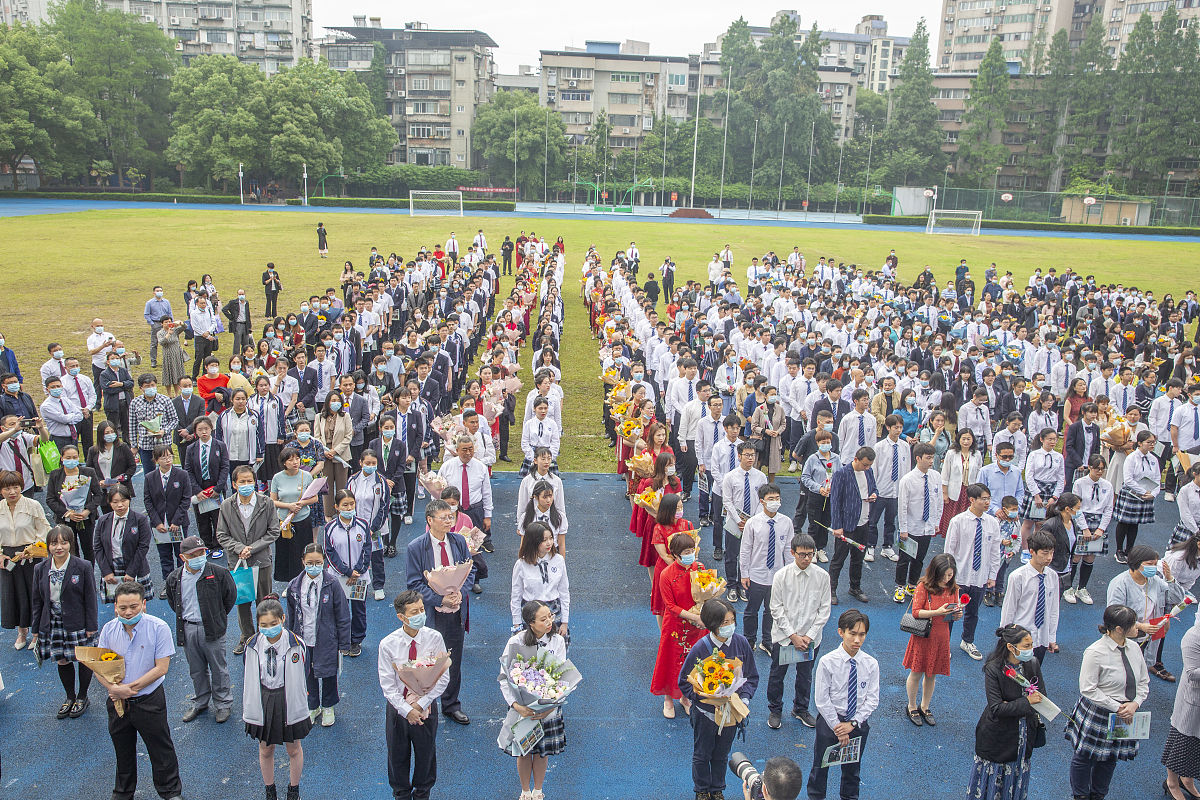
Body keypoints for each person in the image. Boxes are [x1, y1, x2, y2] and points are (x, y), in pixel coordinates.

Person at [93, 581, 183, 800]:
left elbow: (161, 668)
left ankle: (171, 792)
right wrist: (114, 689)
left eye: (133, 606)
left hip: (148, 700)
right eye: (122, 608)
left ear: (143, 604)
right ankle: (123, 793)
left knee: (161, 749)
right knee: (122, 751)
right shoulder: (108, 629)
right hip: (117, 701)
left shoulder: (158, 627)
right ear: (115, 607)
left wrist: (128, 690)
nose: (128, 612)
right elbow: (98, 668)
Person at [1063, 604, 1149, 800]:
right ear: (1119, 629)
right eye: (1133, 624)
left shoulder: (1134, 647)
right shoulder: (1095, 652)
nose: (1138, 627)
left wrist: (1135, 703)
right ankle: (1080, 796)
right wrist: (1118, 707)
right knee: (1084, 756)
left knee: (1110, 757)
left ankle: (1098, 795)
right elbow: (1087, 688)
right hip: (1101, 710)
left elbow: (1143, 680)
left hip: (1126, 711)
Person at [678, 598, 760, 800]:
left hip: (731, 713)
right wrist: (702, 697)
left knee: (722, 753)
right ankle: (702, 790)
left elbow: (751, 677)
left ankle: (717, 789)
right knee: (702, 753)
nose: (729, 626)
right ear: (712, 624)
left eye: (731, 621)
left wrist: (744, 700)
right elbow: (685, 682)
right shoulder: (700, 648)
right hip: (705, 713)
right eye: (724, 623)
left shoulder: (741, 643)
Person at [405, 498, 474, 725]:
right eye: (443, 517)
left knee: (453, 659)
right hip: (430, 613)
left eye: (450, 516)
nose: (449, 521)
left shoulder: (458, 542)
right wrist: (439, 598)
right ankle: (425, 704)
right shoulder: (416, 547)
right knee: (428, 660)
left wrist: (459, 594)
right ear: (429, 520)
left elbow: (469, 572)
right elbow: (414, 583)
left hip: (455, 610)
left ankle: (451, 704)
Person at [498, 600, 571, 800]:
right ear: (531, 623)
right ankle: (525, 791)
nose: (549, 621)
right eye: (543, 619)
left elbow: (562, 673)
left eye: (550, 616)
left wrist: (551, 705)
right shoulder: (516, 642)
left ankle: (538, 791)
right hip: (522, 707)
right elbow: (505, 677)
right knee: (524, 751)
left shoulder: (557, 640)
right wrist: (516, 706)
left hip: (547, 707)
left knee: (541, 752)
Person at [379, 590, 449, 800]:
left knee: (426, 754)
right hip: (398, 709)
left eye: (421, 609)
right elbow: (388, 685)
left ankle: (422, 793)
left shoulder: (434, 638)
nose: (420, 614)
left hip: (426, 707)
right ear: (401, 617)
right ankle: (401, 794)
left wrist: (422, 704)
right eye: (414, 612)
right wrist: (407, 710)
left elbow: (443, 677)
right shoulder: (387, 644)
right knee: (397, 755)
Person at [242, 597, 312, 800]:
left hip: (288, 697)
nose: (269, 628)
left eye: (273, 624)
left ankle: (293, 790)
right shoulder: (252, 645)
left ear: (282, 619)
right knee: (265, 749)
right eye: (263, 625)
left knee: (293, 748)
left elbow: (303, 671)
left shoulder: (296, 644)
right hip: (264, 698)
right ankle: (270, 790)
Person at [967, 624, 1046, 800]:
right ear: (1011, 647)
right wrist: (1026, 701)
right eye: (1026, 646)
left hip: (1023, 736)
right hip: (999, 738)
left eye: (1031, 645)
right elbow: (997, 708)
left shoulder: (1032, 664)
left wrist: (1012, 704)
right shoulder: (993, 668)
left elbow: (1041, 696)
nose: (1030, 650)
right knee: (994, 781)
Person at [807, 609, 878, 800]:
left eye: (861, 634)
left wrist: (852, 724)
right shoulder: (828, 662)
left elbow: (872, 699)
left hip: (857, 724)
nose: (857, 640)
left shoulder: (871, 664)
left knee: (852, 770)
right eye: (852, 633)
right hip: (831, 723)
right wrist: (839, 728)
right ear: (841, 632)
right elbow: (822, 699)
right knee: (820, 767)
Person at [165, 535, 236, 724]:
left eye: (202, 552)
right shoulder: (175, 578)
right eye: (193, 554)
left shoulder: (219, 573)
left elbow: (229, 597)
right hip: (189, 628)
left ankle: (223, 704)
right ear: (183, 558)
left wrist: (217, 617)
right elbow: (174, 602)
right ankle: (201, 701)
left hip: (212, 628)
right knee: (196, 669)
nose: (199, 557)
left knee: (219, 669)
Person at [31, 525, 98, 719]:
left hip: (78, 621)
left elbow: (90, 598)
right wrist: (36, 628)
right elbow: (37, 600)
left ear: (70, 544)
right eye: (54, 543)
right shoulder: (40, 568)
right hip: (53, 622)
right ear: (48, 546)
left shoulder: (83, 566)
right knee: (62, 658)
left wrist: (91, 626)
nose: (59, 547)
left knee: (83, 658)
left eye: (64, 542)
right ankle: (70, 697)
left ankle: (83, 696)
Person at [766, 532, 830, 731]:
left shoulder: (822, 577)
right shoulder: (781, 576)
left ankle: (801, 709)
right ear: (792, 553)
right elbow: (775, 608)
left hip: (810, 639)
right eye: (802, 554)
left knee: (805, 675)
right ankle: (775, 710)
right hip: (785, 638)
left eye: (810, 554)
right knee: (777, 675)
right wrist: (793, 636)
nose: (807, 559)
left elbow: (824, 609)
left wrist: (808, 636)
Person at [217, 465, 281, 654]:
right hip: (237, 562)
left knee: (264, 601)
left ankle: (266, 635)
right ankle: (247, 636)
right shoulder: (227, 505)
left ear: (255, 482)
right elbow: (221, 534)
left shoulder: (266, 503)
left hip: (261, 561)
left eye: (250, 481)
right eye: (242, 482)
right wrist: (239, 549)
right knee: (242, 602)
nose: (246, 485)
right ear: (235, 484)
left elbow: (273, 532)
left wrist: (251, 549)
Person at [287, 543, 350, 727]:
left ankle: (328, 705)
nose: (314, 566)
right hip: (303, 637)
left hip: (327, 638)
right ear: (303, 562)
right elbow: (290, 615)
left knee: (329, 672)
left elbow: (343, 614)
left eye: (318, 562)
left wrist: (344, 643)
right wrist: (290, 639)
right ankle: (312, 705)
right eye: (310, 562)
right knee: (308, 673)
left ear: (323, 562)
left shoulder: (332, 583)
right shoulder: (294, 586)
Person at [1106, 544, 1186, 682]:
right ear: (1136, 563)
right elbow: (1114, 614)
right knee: (1122, 670)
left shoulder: (1154, 580)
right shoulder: (1120, 583)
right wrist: (1140, 626)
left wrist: (1170, 579)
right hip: (1128, 635)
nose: (1153, 568)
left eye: (1156, 564)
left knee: (1140, 667)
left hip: (1149, 634)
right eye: (1149, 564)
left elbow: (1177, 598)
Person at [901, 552, 962, 727]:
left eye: (950, 575)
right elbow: (916, 612)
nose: (947, 579)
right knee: (916, 672)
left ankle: (925, 706)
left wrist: (955, 615)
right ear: (935, 573)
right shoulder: (923, 587)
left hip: (942, 636)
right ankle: (912, 705)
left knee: (932, 674)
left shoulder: (954, 588)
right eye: (944, 575)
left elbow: (951, 612)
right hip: (924, 636)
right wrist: (938, 612)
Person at [944, 483, 1002, 661]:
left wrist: (993, 575)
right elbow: (949, 550)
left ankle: (967, 641)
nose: (987, 502)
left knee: (973, 612)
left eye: (988, 499)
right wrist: (948, 576)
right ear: (972, 500)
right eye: (983, 499)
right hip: (960, 576)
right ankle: (944, 644)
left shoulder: (992, 523)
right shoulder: (958, 521)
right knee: (951, 612)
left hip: (980, 576)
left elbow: (994, 551)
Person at [651, 533, 706, 719]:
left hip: (697, 625)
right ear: (675, 555)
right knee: (671, 661)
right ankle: (668, 698)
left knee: (694, 661)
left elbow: (706, 592)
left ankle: (685, 696)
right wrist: (693, 616)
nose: (690, 555)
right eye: (686, 552)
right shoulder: (666, 574)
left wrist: (701, 613)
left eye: (692, 551)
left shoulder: (699, 568)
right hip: (675, 625)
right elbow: (670, 606)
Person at [740, 483, 793, 653]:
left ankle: (767, 640)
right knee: (751, 611)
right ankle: (749, 640)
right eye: (771, 499)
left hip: (777, 576)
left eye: (777, 498)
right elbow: (745, 549)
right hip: (756, 575)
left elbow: (788, 550)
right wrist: (744, 573)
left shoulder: (786, 522)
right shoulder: (753, 523)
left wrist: (790, 573)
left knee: (772, 611)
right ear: (762, 501)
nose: (775, 502)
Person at [324, 489, 373, 657]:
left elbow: (367, 549)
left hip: (360, 577)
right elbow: (330, 554)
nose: (349, 507)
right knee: (339, 610)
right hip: (338, 577)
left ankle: (356, 640)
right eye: (345, 505)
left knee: (359, 610)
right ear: (337, 507)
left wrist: (357, 571)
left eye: (352, 504)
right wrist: (346, 572)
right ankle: (342, 640)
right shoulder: (329, 528)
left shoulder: (363, 524)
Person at [1001, 530, 1060, 664]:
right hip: (1020, 639)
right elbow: (1009, 609)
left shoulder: (1052, 576)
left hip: (1041, 638)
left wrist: (1051, 636)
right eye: (1045, 553)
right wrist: (1006, 637)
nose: (1049, 557)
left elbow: (1053, 610)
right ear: (1032, 551)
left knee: (1034, 676)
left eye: (1051, 552)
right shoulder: (1018, 577)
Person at [894, 443, 943, 602]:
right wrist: (903, 529)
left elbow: (939, 501)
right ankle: (899, 587)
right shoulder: (907, 480)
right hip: (911, 527)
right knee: (904, 559)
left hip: (926, 527)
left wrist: (936, 522)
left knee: (919, 559)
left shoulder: (935, 476)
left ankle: (911, 584)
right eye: (928, 458)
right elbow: (902, 506)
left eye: (932, 457)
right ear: (918, 458)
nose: (931, 461)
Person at [828, 446, 878, 605]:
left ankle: (855, 587)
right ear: (856, 459)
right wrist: (837, 525)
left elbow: (873, 487)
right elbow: (834, 501)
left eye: (869, 465)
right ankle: (831, 589)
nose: (867, 468)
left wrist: (874, 494)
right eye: (865, 464)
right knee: (839, 559)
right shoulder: (841, 474)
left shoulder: (868, 472)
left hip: (863, 521)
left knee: (858, 558)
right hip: (847, 524)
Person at [143, 444, 192, 599]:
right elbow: (148, 501)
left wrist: (176, 521)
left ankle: (182, 582)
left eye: (170, 456)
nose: (168, 460)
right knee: (164, 555)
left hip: (178, 524)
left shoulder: (182, 475)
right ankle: (168, 583)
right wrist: (157, 522)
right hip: (159, 526)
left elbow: (185, 500)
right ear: (156, 460)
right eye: (164, 457)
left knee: (181, 554)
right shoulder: (150, 478)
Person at [1162, 607, 1200, 800]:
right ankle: (1171, 782)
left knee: (1197, 745)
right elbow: (1193, 673)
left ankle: (1188, 780)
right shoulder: (1192, 637)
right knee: (1182, 742)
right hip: (1192, 702)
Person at [510, 521, 569, 642]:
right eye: (544, 540)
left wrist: (565, 621)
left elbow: (564, 591)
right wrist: (517, 624)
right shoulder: (521, 564)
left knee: (555, 654)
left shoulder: (558, 560)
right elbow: (516, 596)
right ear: (533, 542)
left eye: (551, 538)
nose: (549, 543)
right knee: (530, 654)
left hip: (553, 611)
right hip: (531, 612)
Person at [1066, 456, 1114, 605]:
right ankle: (1069, 587)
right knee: (1076, 556)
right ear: (1090, 467)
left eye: (1102, 468)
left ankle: (1082, 588)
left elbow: (1108, 509)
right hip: (1083, 520)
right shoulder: (1080, 483)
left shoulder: (1108, 485)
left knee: (1090, 556)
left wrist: (1101, 528)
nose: (1100, 471)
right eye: (1096, 468)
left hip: (1098, 522)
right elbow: (1076, 507)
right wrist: (1085, 528)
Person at [94, 485, 153, 600]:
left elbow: (143, 547)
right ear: (109, 502)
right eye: (115, 502)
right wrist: (106, 571)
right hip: (112, 569)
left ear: (129, 499)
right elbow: (97, 547)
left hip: (135, 568)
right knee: (118, 605)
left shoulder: (140, 520)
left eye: (123, 501)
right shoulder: (103, 521)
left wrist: (131, 572)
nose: (120, 505)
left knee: (138, 604)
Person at [45, 442, 102, 562]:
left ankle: (88, 575)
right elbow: (50, 499)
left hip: (85, 519)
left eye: (75, 457)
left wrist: (87, 511)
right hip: (65, 520)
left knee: (89, 549)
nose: (72, 460)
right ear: (62, 458)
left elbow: (98, 495)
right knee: (71, 549)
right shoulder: (55, 475)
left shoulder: (88, 472)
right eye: (68, 458)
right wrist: (68, 513)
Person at [271, 447, 319, 584]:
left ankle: (306, 580)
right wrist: (289, 506)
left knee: (303, 552)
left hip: (303, 519)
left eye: (297, 459)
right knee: (286, 553)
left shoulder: (306, 476)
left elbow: (314, 498)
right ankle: (291, 583)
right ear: (284, 462)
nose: (295, 462)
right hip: (284, 522)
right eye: (291, 460)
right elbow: (272, 501)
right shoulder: (277, 478)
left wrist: (300, 504)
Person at [183, 416, 229, 556]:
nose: (204, 432)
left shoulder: (219, 446)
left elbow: (225, 467)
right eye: (200, 429)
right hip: (200, 489)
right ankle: (206, 544)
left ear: (211, 429)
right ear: (195, 432)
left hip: (215, 487)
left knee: (217, 518)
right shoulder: (191, 448)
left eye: (206, 429)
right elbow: (188, 470)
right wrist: (197, 491)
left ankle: (217, 546)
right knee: (202, 519)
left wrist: (218, 488)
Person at [1113, 430, 1160, 562]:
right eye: (1149, 442)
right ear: (1139, 443)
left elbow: (1157, 478)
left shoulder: (1153, 459)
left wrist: (1153, 494)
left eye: (1153, 442)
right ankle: (1119, 550)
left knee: (1135, 524)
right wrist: (1143, 492)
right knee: (1124, 522)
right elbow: (1128, 480)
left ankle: (1129, 550)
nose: (1152, 445)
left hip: (1146, 495)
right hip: (1132, 493)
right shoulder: (1132, 458)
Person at [317, 390, 354, 517]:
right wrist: (325, 451)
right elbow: (317, 436)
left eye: (338, 400)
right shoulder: (319, 417)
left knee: (341, 485)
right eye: (333, 400)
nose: (335, 403)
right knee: (326, 486)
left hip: (341, 454)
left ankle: (342, 511)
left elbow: (348, 436)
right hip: (325, 454)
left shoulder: (345, 416)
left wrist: (335, 450)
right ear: (327, 402)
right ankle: (328, 513)